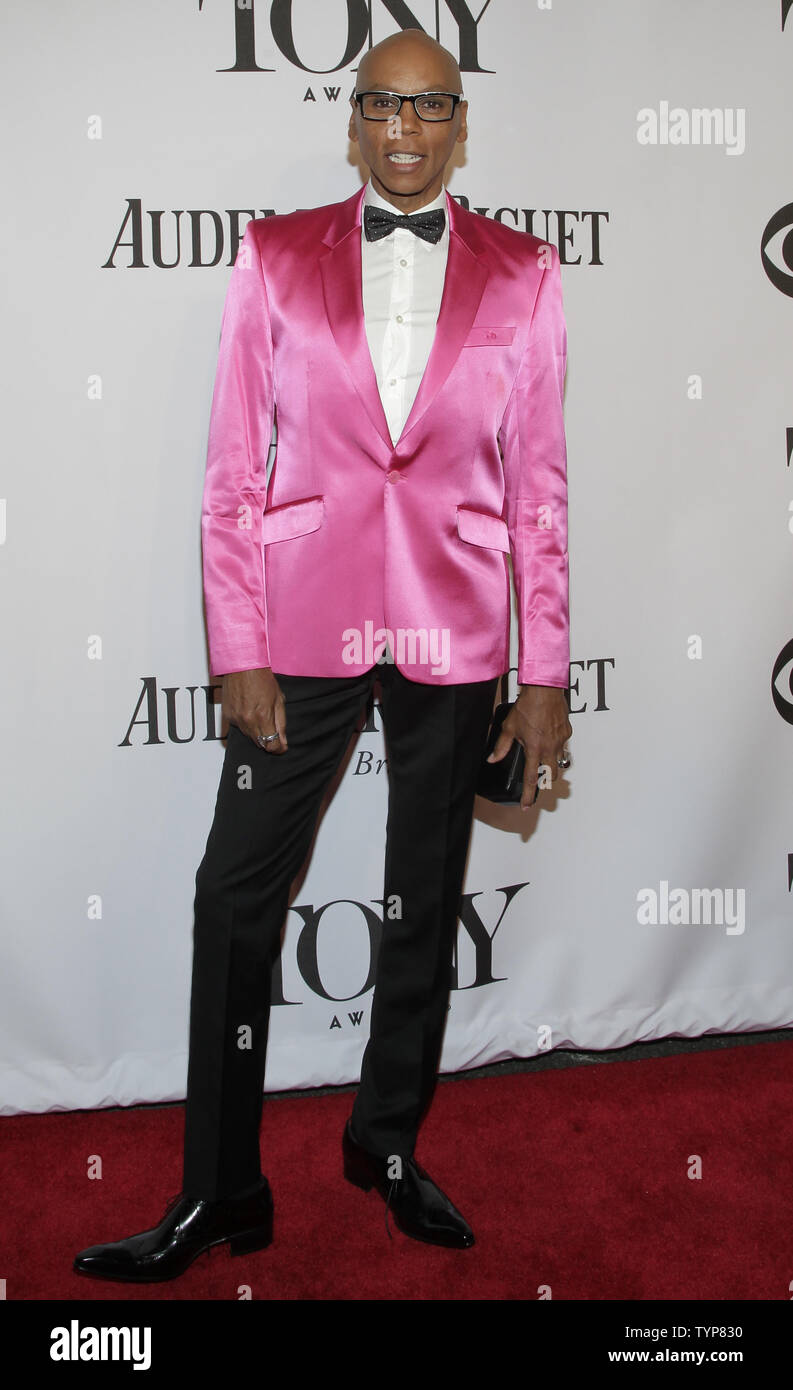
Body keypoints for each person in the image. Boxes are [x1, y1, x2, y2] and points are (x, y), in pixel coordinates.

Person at [74, 28, 572, 1283]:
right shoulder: (274, 256)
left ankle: (387, 1146)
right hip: (297, 629)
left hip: (456, 630)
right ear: (353, 121)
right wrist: (236, 643)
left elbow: (542, 492)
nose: (403, 130)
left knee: (420, 899)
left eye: (428, 108)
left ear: (459, 123)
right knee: (233, 898)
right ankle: (218, 1186)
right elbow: (231, 473)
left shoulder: (525, 274)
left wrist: (548, 672)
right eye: (380, 107)